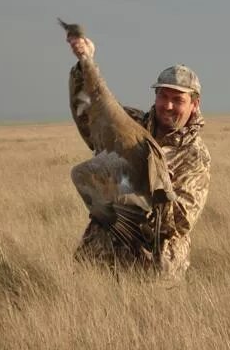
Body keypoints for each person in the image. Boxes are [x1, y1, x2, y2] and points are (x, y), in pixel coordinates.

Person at [66, 35, 211, 281]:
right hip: (100, 256)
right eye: (163, 96)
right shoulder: (130, 123)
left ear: (195, 104)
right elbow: (90, 114)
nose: (168, 105)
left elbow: (180, 222)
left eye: (178, 100)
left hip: (153, 267)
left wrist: (140, 196)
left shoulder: (195, 155)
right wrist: (85, 64)